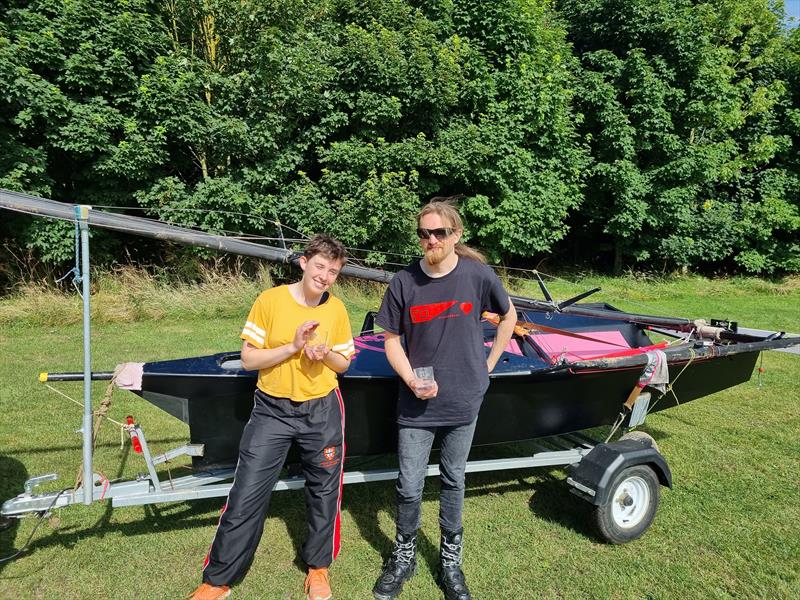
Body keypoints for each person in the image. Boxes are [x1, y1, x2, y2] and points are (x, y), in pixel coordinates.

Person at [189, 235, 355, 600]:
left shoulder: (337, 310)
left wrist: (325, 354)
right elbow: (249, 359)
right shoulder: (270, 300)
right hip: (272, 410)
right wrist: (293, 346)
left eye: (333, 271)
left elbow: (343, 363)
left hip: (322, 409)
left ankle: (318, 568)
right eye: (320, 266)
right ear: (304, 263)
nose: (325, 276)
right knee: (247, 491)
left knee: (325, 492)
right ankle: (218, 580)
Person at [372, 199, 517, 600]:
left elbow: (508, 316)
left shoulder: (477, 275)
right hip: (416, 402)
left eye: (440, 232)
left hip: (464, 398)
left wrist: (488, 364)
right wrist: (410, 379)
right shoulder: (404, 282)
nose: (431, 239)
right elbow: (390, 340)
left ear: (456, 235)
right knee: (409, 484)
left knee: (454, 479)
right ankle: (404, 557)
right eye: (424, 233)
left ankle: (450, 562)